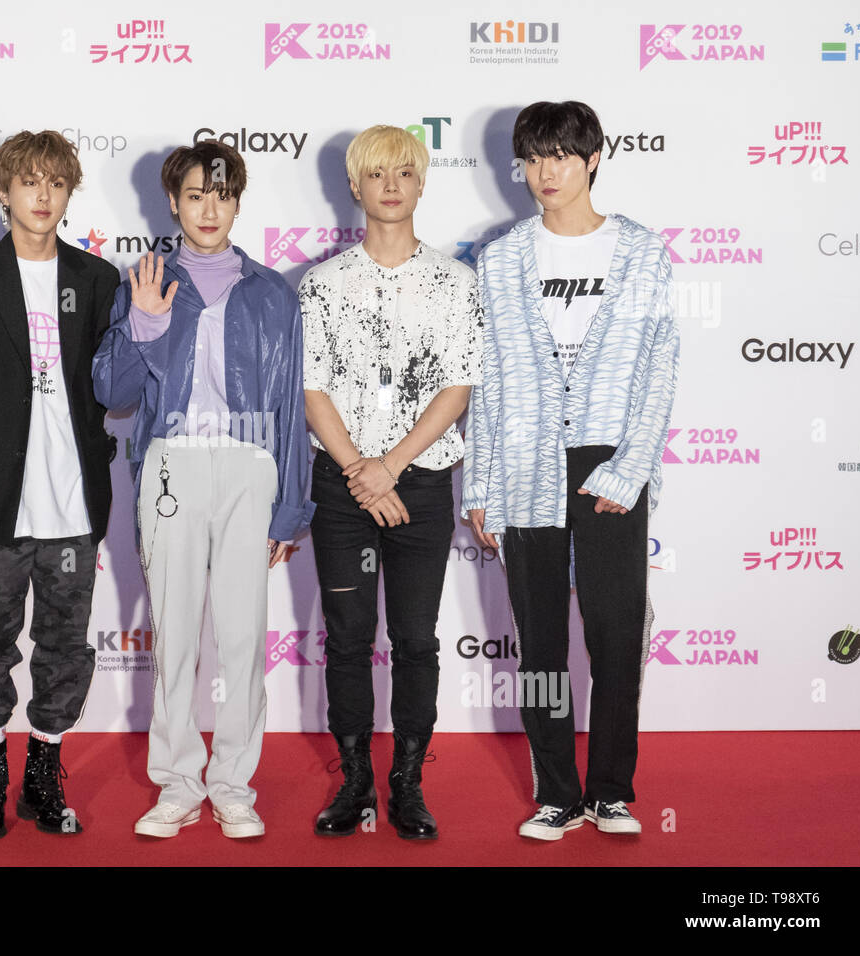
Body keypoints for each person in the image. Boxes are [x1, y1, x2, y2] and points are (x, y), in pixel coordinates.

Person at [462, 101, 678, 840]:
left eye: (561, 154)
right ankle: (557, 791)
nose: (546, 171)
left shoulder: (643, 254)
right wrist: (483, 485)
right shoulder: (500, 259)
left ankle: (612, 789)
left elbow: (659, 370)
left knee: (617, 632)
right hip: (524, 464)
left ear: (593, 158)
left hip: (610, 461)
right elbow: (486, 381)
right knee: (542, 639)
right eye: (534, 157)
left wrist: (632, 468)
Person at [92, 141, 313, 839]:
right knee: (177, 634)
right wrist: (145, 323)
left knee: (245, 637)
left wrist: (291, 504)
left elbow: (288, 402)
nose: (208, 208)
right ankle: (179, 783)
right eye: (194, 195)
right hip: (172, 466)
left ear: (238, 201)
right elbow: (112, 392)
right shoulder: (149, 279)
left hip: (250, 467)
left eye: (221, 195)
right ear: (174, 204)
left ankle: (233, 785)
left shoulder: (272, 292)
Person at [0, 130, 119, 839]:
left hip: (73, 507)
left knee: (66, 648)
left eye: (55, 182)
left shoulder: (97, 281)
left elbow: (116, 385)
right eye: (27, 181)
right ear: (2, 191)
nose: (42, 195)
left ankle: (44, 776)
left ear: (69, 193)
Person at [298, 125, 482, 840]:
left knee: (416, 638)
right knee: (345, 637)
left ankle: (408, 782)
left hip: (423, 485)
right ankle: (354, 783)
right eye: (378, 174)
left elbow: (457, 387)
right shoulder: (321, 283)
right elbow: (313, 390)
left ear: (423, 181)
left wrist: (390, 467)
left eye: (405, 171)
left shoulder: (455, 283)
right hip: (342, 488)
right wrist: (360, 474)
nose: (392, 184)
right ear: (355, 186)